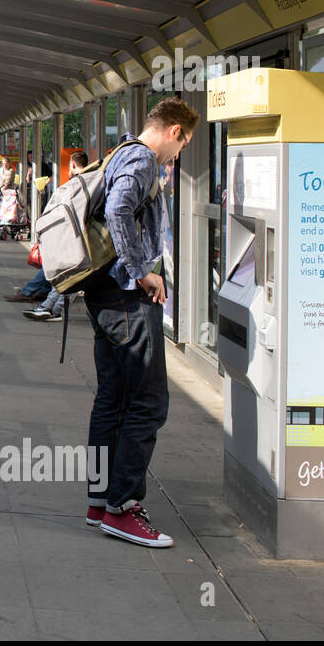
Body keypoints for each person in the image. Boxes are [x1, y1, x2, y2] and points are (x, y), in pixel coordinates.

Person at [83, 97, 198, 547]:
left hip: (104, 296)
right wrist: (141, 271)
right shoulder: (144, 160)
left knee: (111, 399)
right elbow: (117, 210)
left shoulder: (121, 152)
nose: (180, 153)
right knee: (149, 402)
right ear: (174, 131)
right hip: (127, 299)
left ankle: (99, 500)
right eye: (184, 143)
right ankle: (123, 507)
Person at [23, 150, 90, 320]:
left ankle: (54, 309)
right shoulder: (92, 182)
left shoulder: (76, 184)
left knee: (70, 277)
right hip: (81, 238)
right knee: (67, 276)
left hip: (75, 239)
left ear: (73, 165)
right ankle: (48, 307)